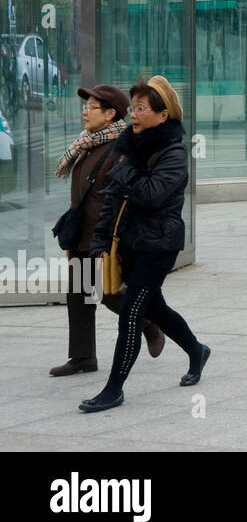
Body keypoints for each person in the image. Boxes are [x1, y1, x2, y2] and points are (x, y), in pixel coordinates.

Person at [80, 76, 209, 413]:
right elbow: (112, 201)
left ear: (163, 115)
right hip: (129, 241)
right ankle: (197, 351)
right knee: (157, 309)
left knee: (132, 313)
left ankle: (113, 389)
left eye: (141, 108)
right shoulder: (129, 146)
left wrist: (125, 172)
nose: (133, 114)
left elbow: (150, 195)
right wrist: (99, 242)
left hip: (159, 245)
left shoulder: (174, 154)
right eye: (133, 107)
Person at [51, 85, 165, 377]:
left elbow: (121, 197)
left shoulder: (120, 149)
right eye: (85, 106)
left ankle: (151, 324)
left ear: (111, 113)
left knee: (108, 292)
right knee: (78, 294)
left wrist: (114, 239)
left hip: (104, 235)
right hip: (82, 233)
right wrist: (71, 234)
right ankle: (82, 357)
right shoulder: (86, 143)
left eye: (92, 106)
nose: (85, 111)